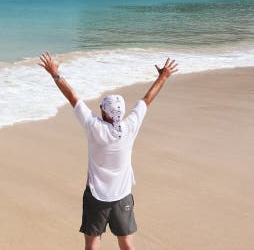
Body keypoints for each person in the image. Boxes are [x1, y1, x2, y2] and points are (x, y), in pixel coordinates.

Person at [39, 51, 178, 250]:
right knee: (127, 245)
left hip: (96, 196)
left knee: (92, 244)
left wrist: (55, 73)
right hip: (122, 196)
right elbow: (147, 99)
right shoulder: (130, 126)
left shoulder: (94, 127)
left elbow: (73, 97)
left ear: (103, 112)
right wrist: (163, 76)